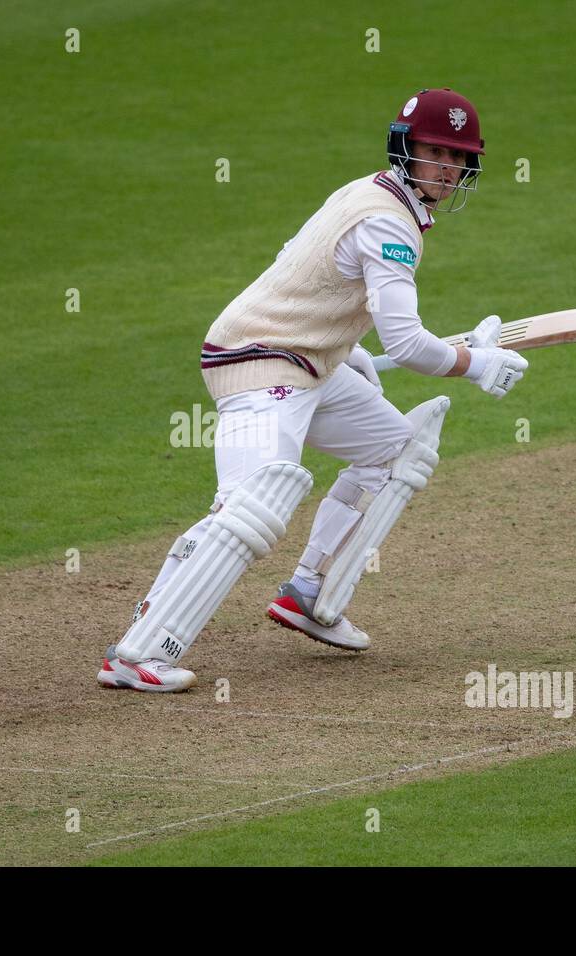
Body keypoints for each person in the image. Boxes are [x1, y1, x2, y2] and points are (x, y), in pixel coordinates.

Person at [99, 88, 528, 692]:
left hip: (307, 364)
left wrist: (344, 351)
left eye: (459, 158)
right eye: (436, 152)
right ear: (405, 150)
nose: (449, 169)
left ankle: (311, 591)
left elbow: (299, 270)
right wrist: (476, 365)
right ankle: (139, 652)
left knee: (396, 451)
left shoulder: (369, 194)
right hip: (260, 362)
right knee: (251, 506)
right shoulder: (388, 222)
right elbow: (405, 343)